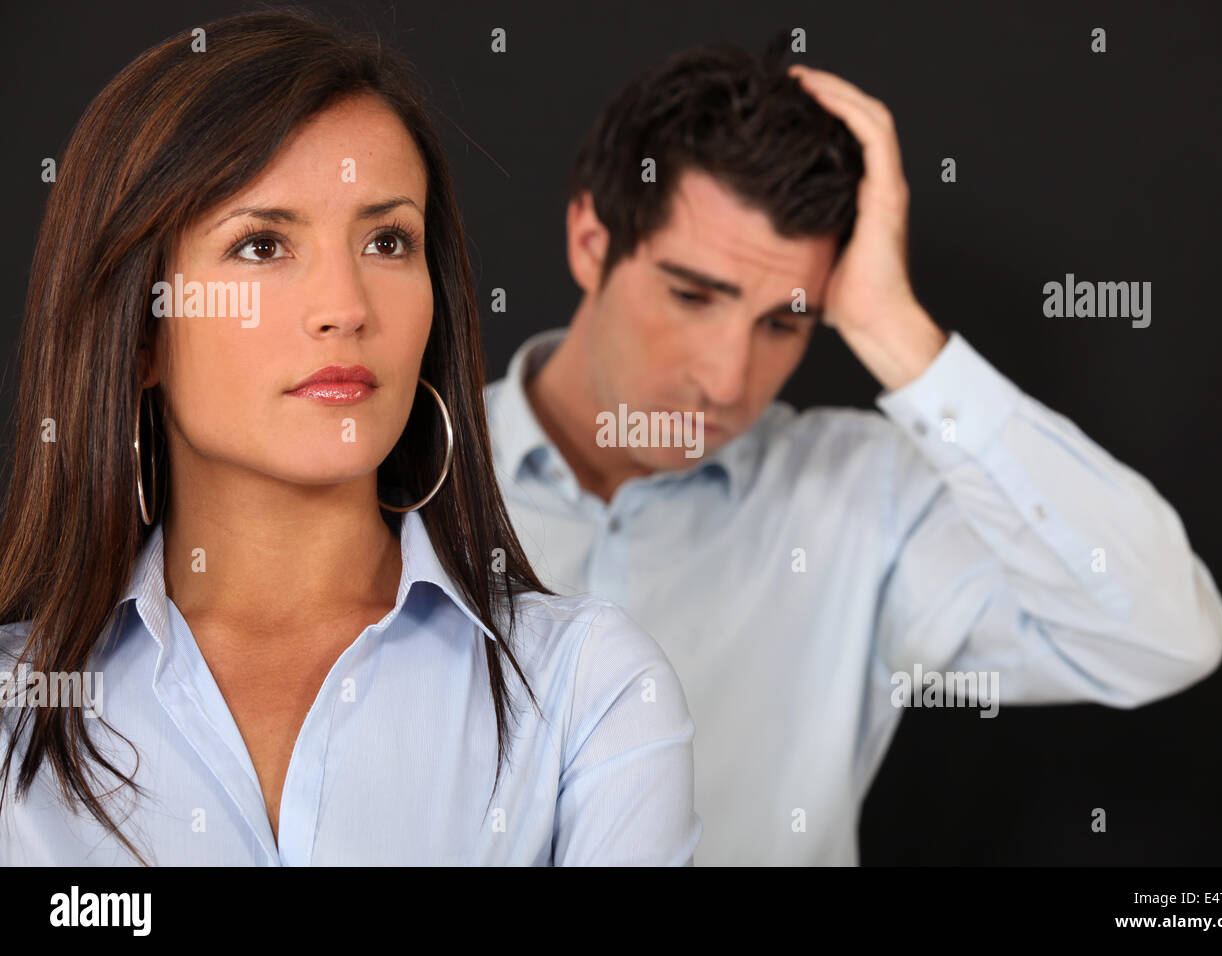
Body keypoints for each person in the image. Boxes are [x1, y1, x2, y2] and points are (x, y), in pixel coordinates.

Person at [485, 40, 1222, 865]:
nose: (728, 381)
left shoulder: (861, 497)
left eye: (784, 322)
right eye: (693, 296)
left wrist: (894, 330)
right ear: (592, 241)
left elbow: (1166, 635)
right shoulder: (405, 474)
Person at [0, 11, 700, 866]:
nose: (347, 306)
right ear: (140, 330)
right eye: (262, 245)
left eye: (387, 240)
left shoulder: (590, 688)